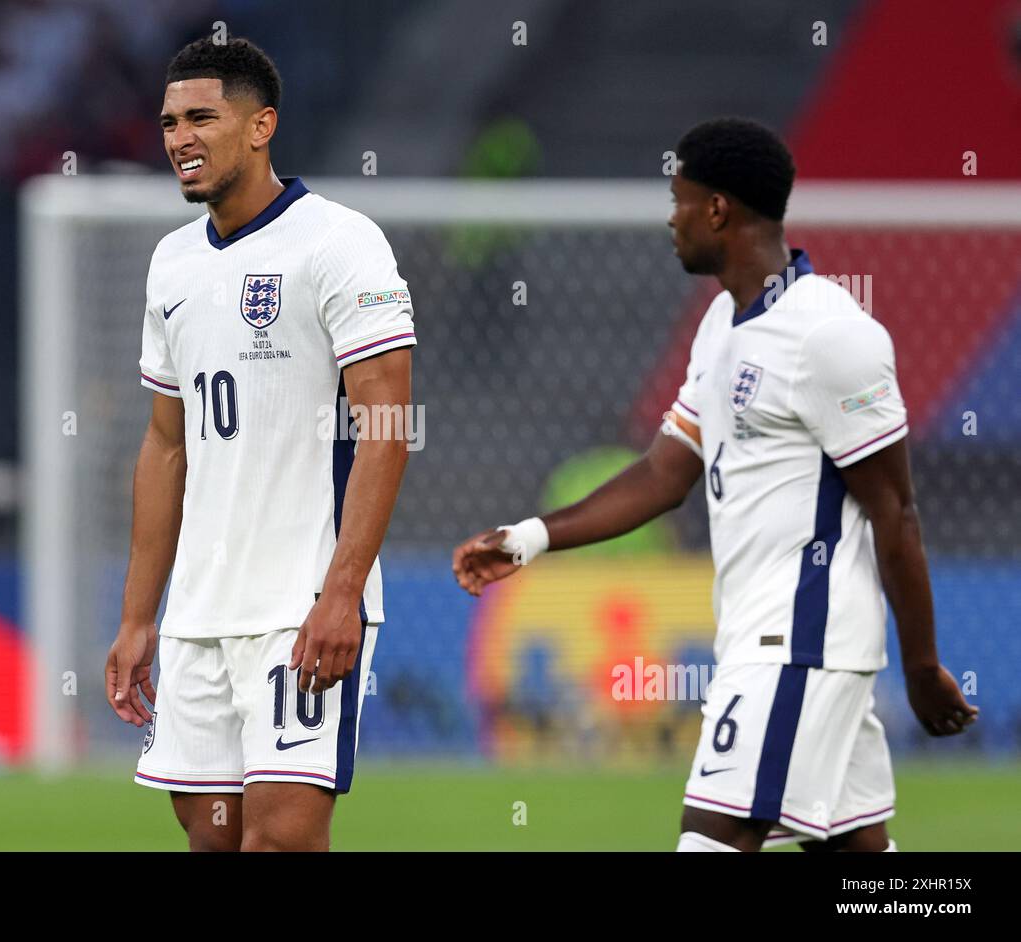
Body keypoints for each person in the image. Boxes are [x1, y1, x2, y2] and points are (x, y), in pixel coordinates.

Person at [452, 117, 977, 852]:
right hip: (768, 641)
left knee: (709, 841)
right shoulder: (722, 327)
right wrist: (533, 537)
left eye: (680, 200)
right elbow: (665, 474)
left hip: (796, 644)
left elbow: (895, 511)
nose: (672, 219)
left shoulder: (829, 334)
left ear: (719, 210)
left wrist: (922, 667)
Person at [105, 37, 416, 851]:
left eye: (202, 117)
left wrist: (341, 591)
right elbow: (165, 446)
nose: (180, 137)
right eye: (170, 121)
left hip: (299, 601)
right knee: (213, 840)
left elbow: (387, 427)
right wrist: (140, 616)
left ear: (260, 125)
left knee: (278, 841)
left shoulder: (339, 243)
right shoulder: (171, 263)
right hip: (199, 612)